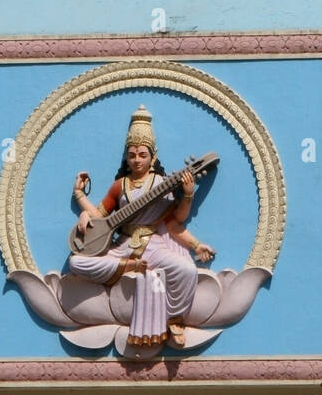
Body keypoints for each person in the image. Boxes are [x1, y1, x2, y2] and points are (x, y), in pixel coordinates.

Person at [68, 105, 215, 348]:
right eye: (132, 155)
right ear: (126, 156)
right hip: (122, 247)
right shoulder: (120, 185)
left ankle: (175, 319)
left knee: (187, 270)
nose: (137, 160)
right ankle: (126, 267)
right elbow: (100, 220)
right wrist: (81, 201)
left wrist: (195, 240)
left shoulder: (162, 184)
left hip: (153, 246)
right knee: (76, 262)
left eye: (142, 155)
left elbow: (174, 223)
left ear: (153, 157)